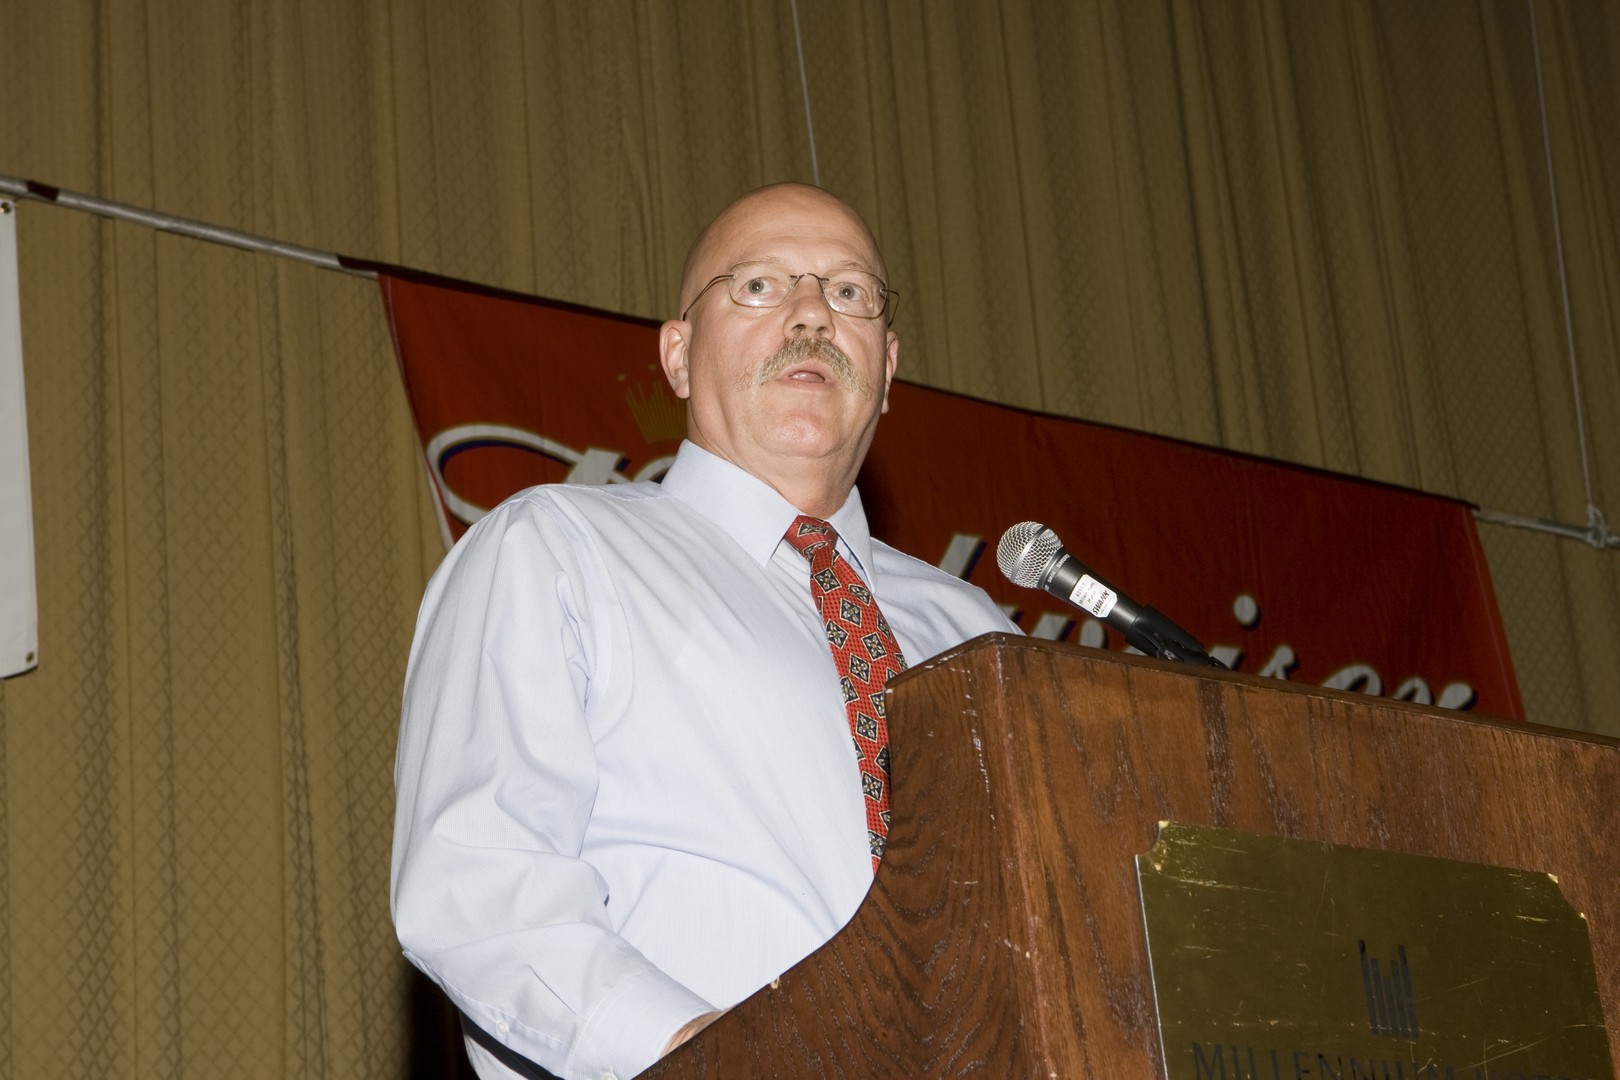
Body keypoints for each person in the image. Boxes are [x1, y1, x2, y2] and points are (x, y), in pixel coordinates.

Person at [391, 183, 1016, 1080]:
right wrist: (711, 1057)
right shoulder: (557, 551)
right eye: (759, 286)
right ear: (678, 356)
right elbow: (481, 885)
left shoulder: (973, 631)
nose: (812, 312)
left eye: (850, 294)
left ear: (887, 366)